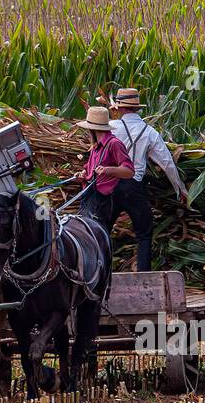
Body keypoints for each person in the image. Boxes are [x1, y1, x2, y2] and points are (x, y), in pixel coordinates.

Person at [103, 88, 188, 272]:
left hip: (110, 186)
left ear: (119, 108)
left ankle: (101, 272)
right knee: (144, 233)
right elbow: (167, 164)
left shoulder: (110, 127)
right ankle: (143, 277)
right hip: (134, 187)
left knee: (102, 231)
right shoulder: (149, 132)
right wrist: (180, 188)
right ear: (137, 108)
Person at [74, 106, 135, 241]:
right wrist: (83, 174)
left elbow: (129, 171)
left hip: (102, 203)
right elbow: (90, 169)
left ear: (91, 128)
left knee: (96, 240)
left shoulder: (114, 144)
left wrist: (108, 170)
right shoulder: (96, 146)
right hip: (89, 200)